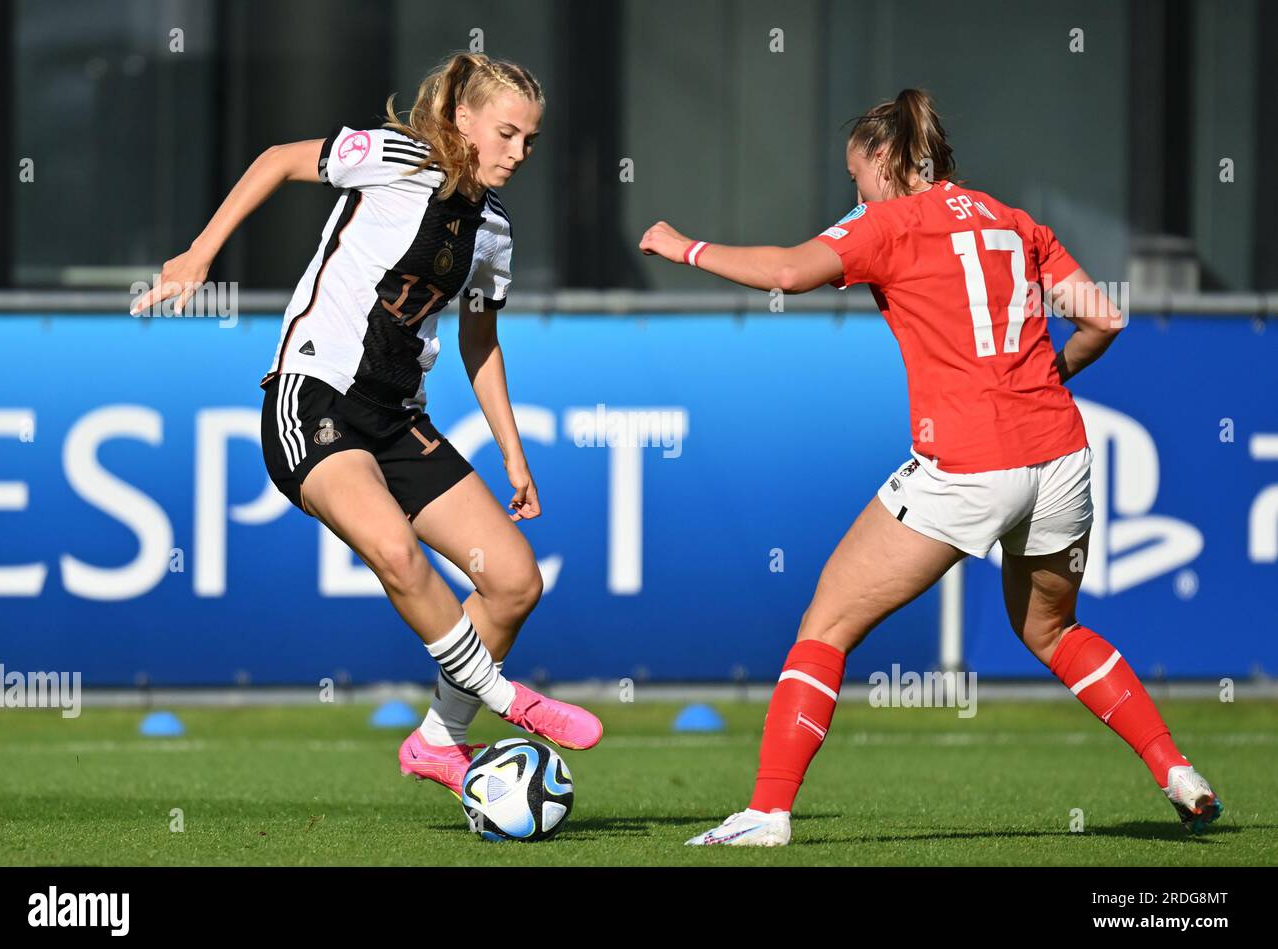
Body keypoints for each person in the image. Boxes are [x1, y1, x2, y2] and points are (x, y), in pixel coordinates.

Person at [639, 88, 1221, 846]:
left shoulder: (886, 224)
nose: (856, 194)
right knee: (1051, 629)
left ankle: (768, 813)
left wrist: (681, 245)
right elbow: (1104, 316)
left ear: (883, 160)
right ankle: (1176, 770)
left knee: (826, 624)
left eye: (857, 178)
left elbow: (787, 270)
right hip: (1061, 456)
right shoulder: (1015, 221)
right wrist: (1047, 377)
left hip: (970, 465)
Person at [133, 52, 602, 799]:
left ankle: (439, 743)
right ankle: (508, 701)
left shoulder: (495, 231)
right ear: (463, 120)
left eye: (530, 141)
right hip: (313, 400)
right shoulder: (392, 158)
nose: (519, 153)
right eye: (507, 134)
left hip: (397, 422)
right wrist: (199, 254)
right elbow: (279, 160)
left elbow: (481, 344)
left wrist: (513, 455)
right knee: (393, 549)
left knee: (513, 582)